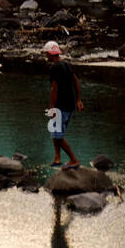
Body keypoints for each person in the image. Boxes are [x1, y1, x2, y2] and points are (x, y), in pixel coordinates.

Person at [44, 41, 83, 169]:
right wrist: (78, 99)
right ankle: (57, 157)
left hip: (61, 106)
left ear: (50, 54)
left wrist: (52, 107)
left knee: (58, 136)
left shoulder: (54, 68)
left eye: (46, 53)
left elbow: (54, 89)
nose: (45, 55)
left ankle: (74, 160)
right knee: (54, 131)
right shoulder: (67, 64)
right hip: (70, 104)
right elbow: (76, 81)